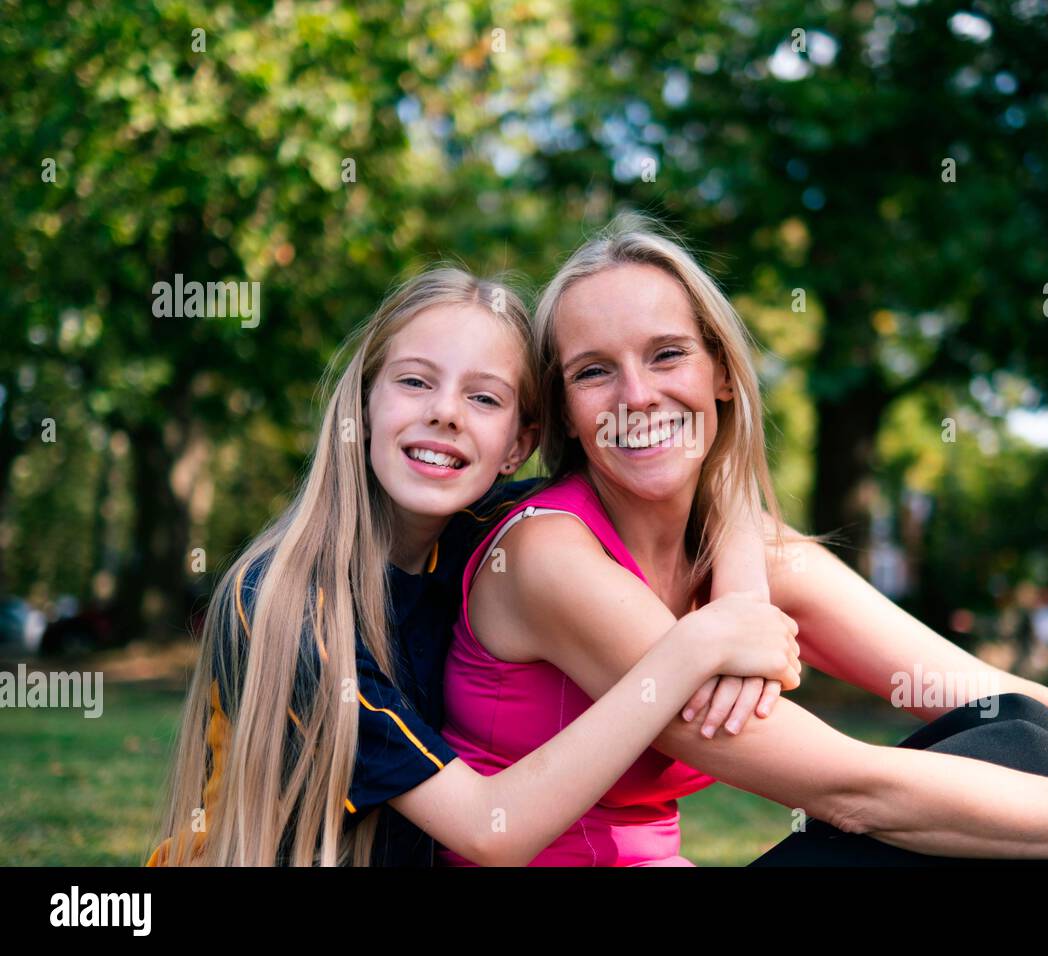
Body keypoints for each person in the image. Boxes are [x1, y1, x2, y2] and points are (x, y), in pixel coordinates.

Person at [439, 214, 1048, 867]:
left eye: (667, 355)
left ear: (722, 376)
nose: (635, 395)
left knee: (1021, 727)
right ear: (564, 411)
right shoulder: (549, 556)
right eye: (594, 371)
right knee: (1038, 764)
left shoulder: (748, 548)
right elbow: (854, 791)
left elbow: (989, 690)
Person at [147, 265, 800, 866]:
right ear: (362, 406)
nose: (445, 412)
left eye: (485, 399)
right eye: (414, 381)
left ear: (517, 446)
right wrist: (697, 645)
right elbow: (489, 828)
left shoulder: (493, 532)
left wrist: (742, 597)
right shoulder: (283, 605)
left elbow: (707, 489)